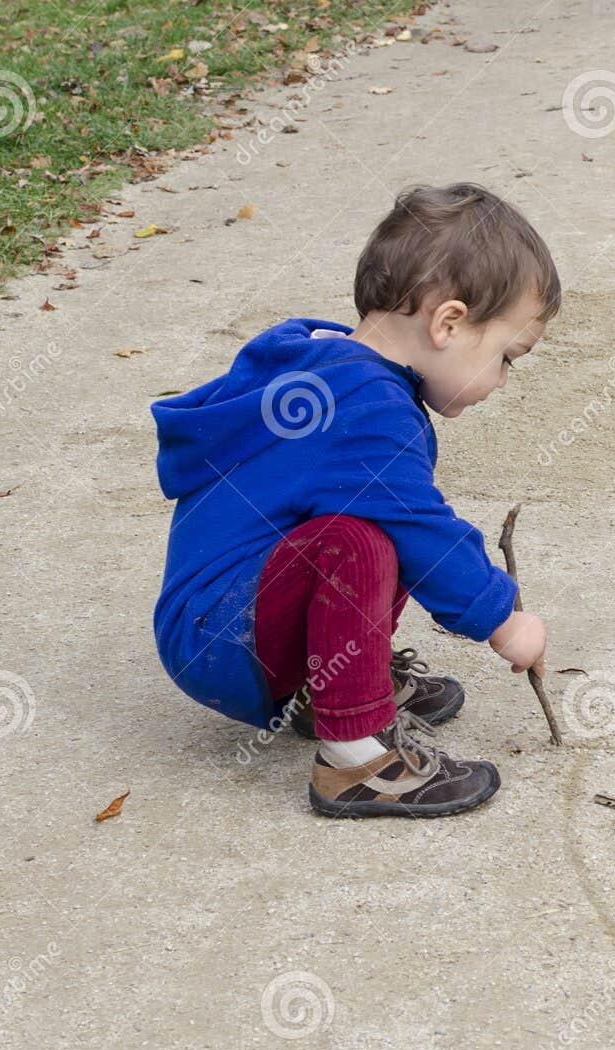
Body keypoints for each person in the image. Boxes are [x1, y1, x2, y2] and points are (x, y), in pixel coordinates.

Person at [153, 183, 556, 817]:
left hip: (223, 621)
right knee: (360, 539)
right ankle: (358, 759)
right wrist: (502, 619)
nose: (504, 379)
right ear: (448, 322)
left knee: (371, 518)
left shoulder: (332, 366)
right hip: (222, 639)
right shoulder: (365, 408)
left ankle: (333, 681)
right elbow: (423, 531)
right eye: (507, 356)